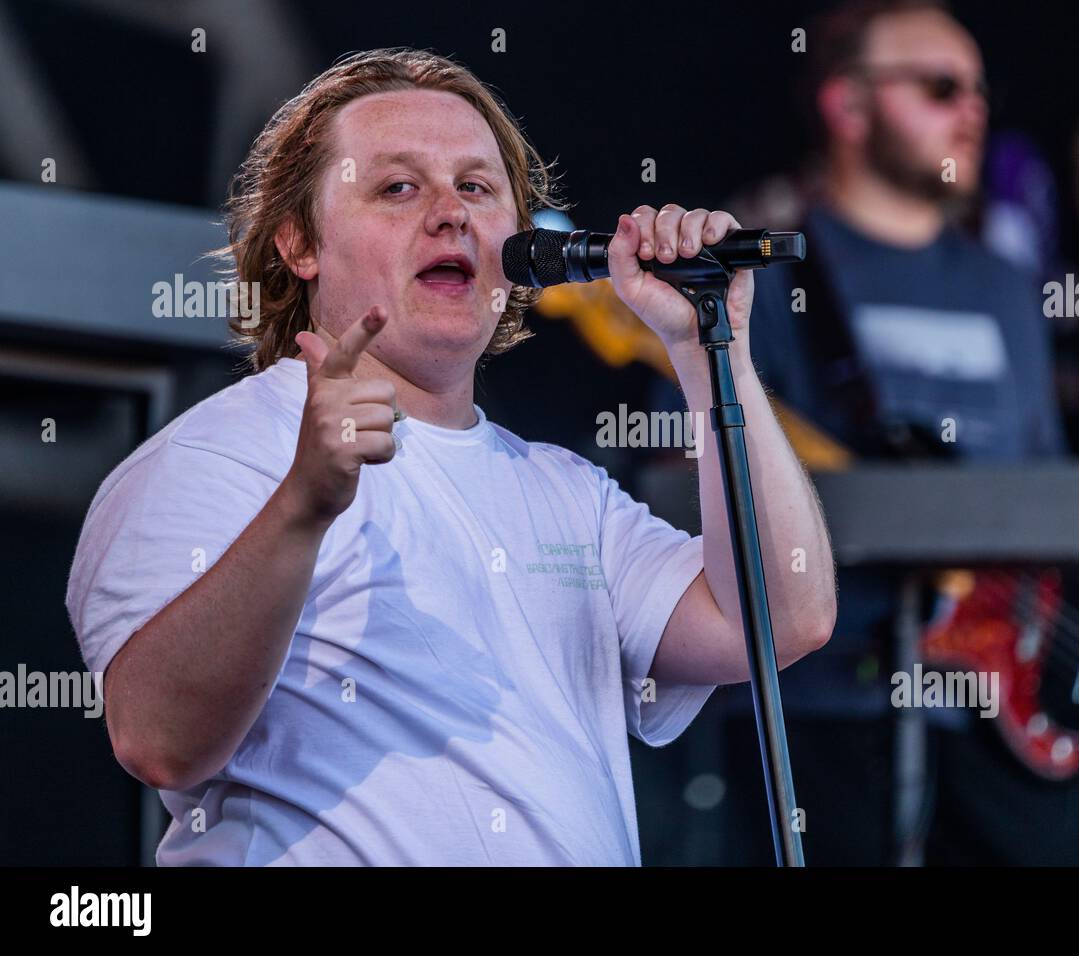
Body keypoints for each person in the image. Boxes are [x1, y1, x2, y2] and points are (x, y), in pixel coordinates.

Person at [64, 48, 836, 866]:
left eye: (476, 187)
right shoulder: (214, 456)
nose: (449, 213)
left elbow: (785, 620)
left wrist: (712, 352)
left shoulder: (568, 490)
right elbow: (158, 740)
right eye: (397, 187)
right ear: (298, 243)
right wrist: (301, 509)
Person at [714, 0, 1079, 865]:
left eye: (977, 88)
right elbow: (693, 481)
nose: (973, 107)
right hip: (826, 706)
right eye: (939, 86)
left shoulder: (1005, 285)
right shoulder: (766, 270)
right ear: (848, 108)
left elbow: (1044, 489)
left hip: (1001, 704)